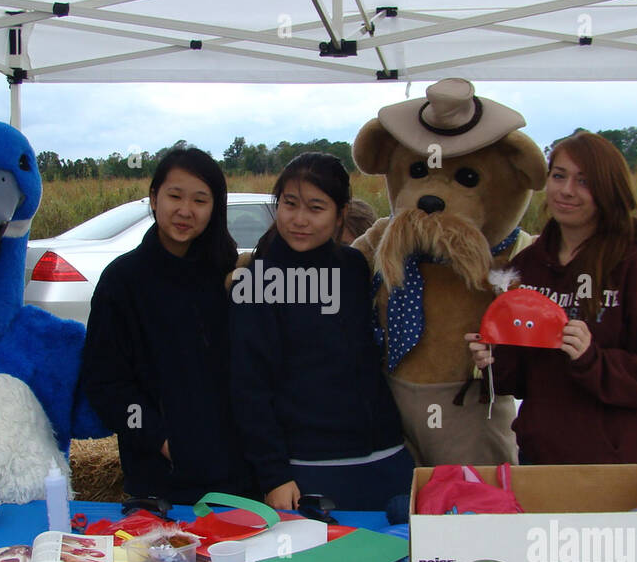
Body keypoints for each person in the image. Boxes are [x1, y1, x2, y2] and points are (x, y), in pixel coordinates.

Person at [467, 132, 637, 488]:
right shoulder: (529, 266)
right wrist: (494, 358)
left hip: (621, 468)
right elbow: (520, 380)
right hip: (541, 460)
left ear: (609, 190)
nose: (566, 190)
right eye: (559, 176)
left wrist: (593, 360)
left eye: (584, 181)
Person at [230, 152, 413, 512]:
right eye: (290, 204)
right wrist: (274, 476)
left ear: (340, 213)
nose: (299, 220)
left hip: (387, 457)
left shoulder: (353, 266)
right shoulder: (256, 282)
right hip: (311, 467)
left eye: (316, 208)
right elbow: (248, 387)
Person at [80, 147, 252, 504]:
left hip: (239, 479)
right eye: (175, 196)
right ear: (154, 198)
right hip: (160, 481)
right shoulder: (122, 281)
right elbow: (105, 384)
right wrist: (160, 439)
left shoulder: (228, 276)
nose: (185, 211)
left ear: (213, 209)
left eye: (200, 200)